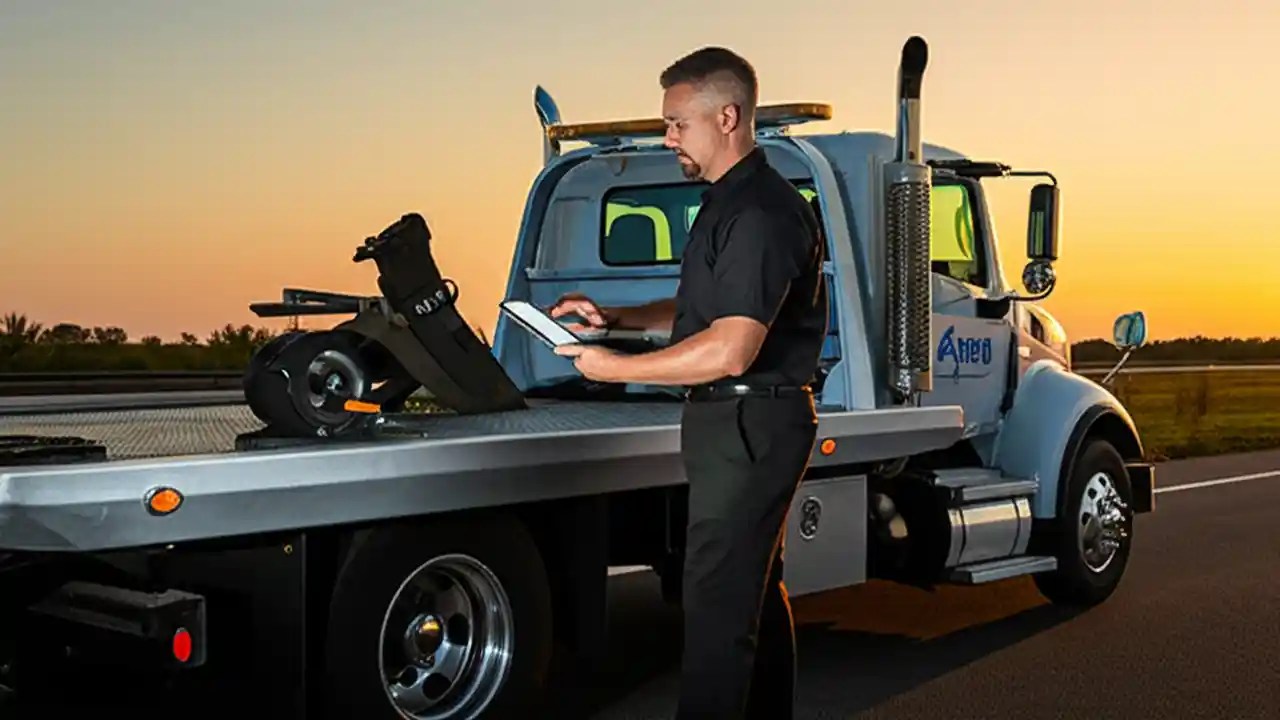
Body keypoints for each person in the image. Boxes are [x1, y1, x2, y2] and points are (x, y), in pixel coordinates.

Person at [549, 46, 828, 719]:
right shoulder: (726, 205)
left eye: (677, 123)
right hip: (735, 424)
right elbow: (703, 314)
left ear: (727, 116)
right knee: (751, 594)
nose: (665, 136)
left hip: (748, 423)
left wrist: (614, 369)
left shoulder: (760, 214)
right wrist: (615, 319)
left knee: (715, 615)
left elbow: (731, 348)